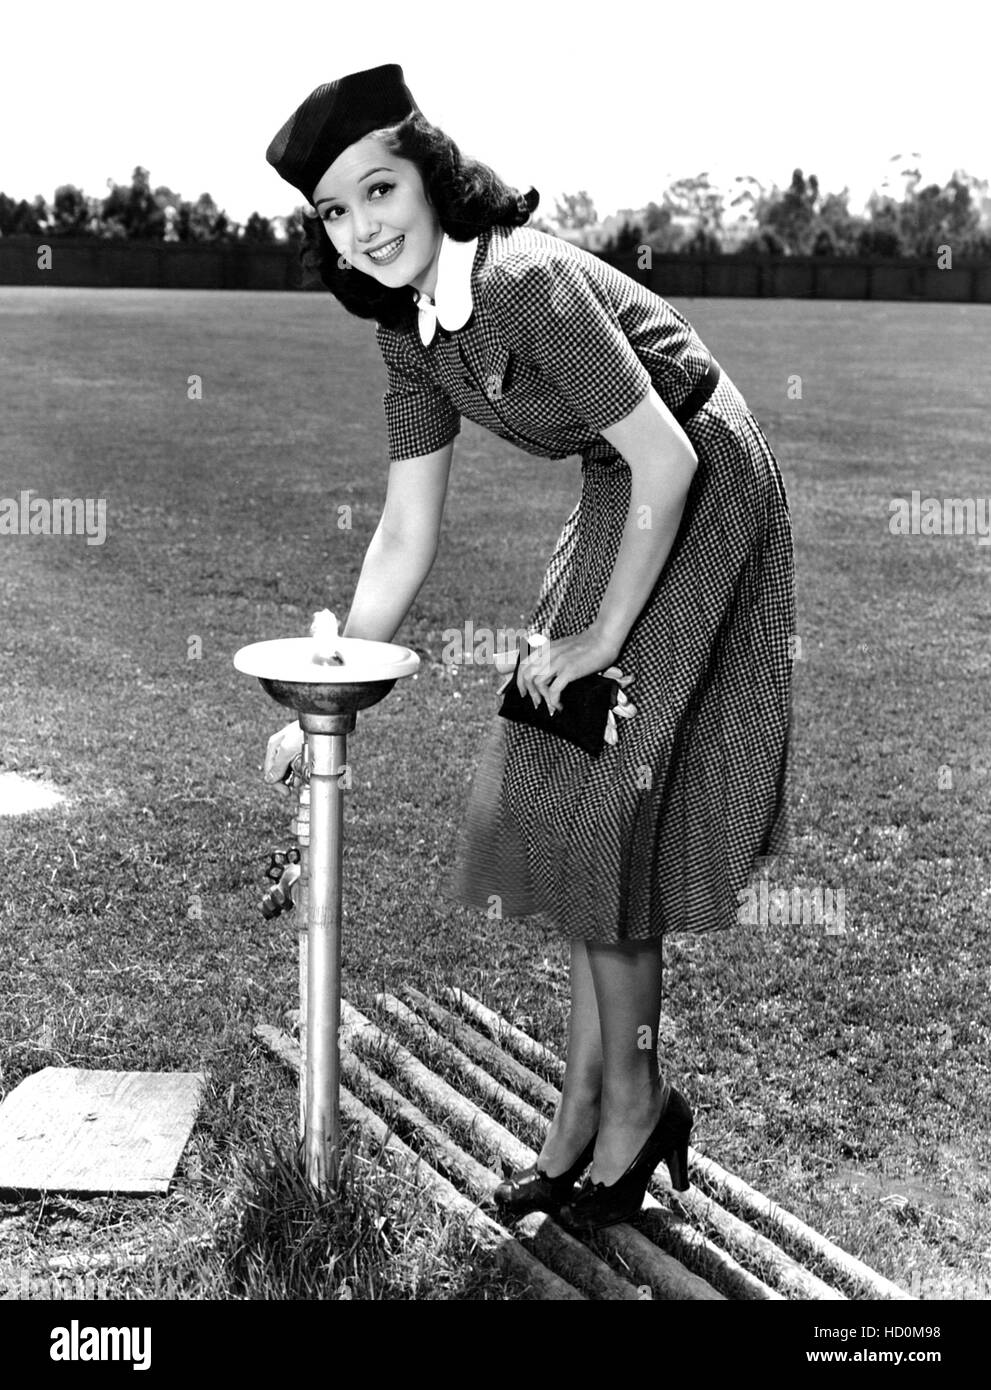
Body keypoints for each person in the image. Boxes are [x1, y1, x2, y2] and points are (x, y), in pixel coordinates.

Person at [262, 63, 795, 1231]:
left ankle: (631, 1103)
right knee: (562, 800)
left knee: (606, 808)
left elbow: (670, 455)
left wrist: (602, 636)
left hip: (698, 475)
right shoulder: (410, 334)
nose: (362, 228)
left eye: (379, 189)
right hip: (627, 483)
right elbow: (405, 528)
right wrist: (327, 693)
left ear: (433, 175)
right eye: (334, 213)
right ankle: (587, 1112)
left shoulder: (526, 280)